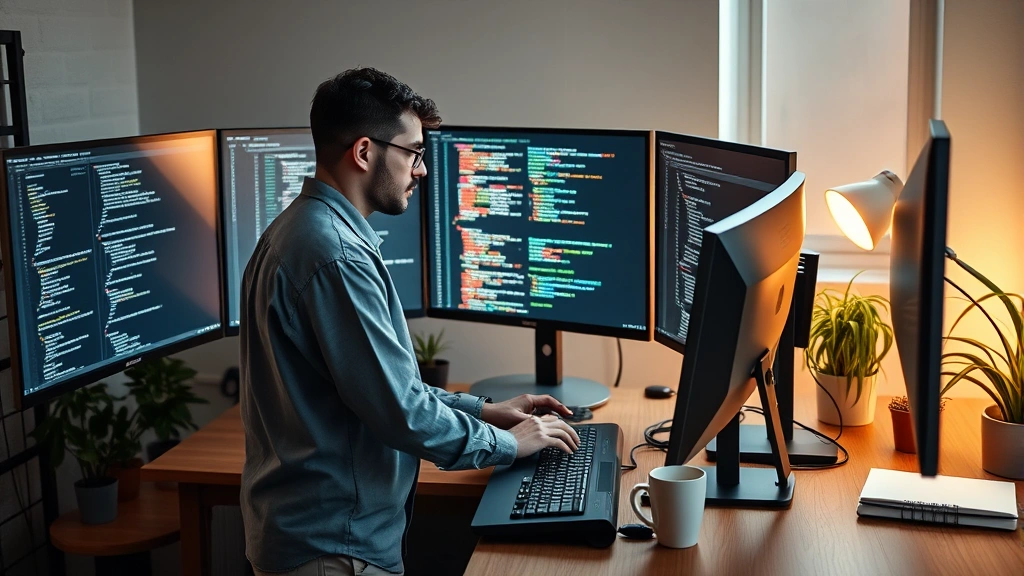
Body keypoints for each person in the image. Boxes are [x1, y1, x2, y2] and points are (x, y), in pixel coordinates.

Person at [239, 67, 581, 576]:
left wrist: (485, 412)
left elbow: (384, 388)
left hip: (317, 535)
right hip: (334, 548)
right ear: (364, 152)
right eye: (414, 153)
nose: (421, 171)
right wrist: (510, 444)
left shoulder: (297, 229)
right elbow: (401, 412)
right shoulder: (335, 257)